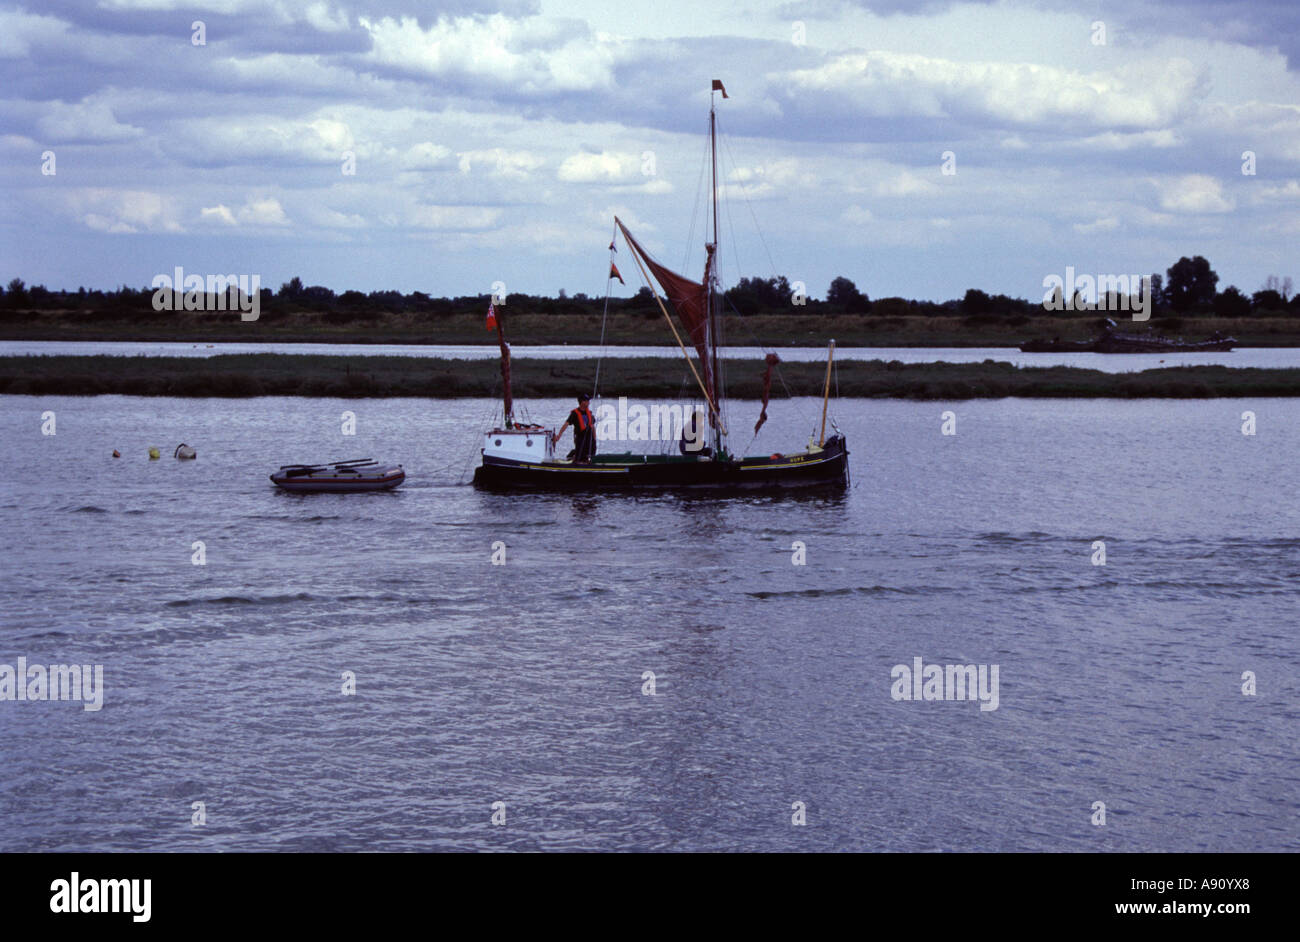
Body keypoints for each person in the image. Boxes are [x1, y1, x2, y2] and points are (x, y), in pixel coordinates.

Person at [554, 393, 597, 463]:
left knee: (591, 453)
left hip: (590, 439)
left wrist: (594, 439)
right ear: (582, 402)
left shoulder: (590, 413)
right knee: (580, 454)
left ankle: (588, 463)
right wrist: (559, 435)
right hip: (580, 437)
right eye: (587, 401)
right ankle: (576, 460)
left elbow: (593, 427)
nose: (589, 403)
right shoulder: (575, 413)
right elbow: (566, 424)